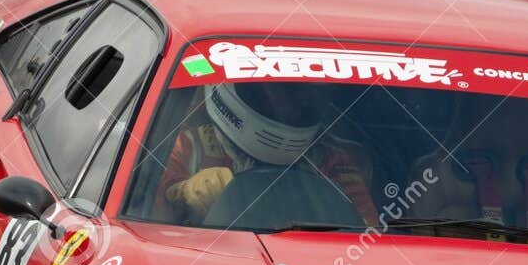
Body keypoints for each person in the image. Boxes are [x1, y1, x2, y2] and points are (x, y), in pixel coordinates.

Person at [158, 81, 378, 228]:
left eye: (298, 92)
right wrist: (183, 192)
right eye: (275, 90)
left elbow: (367, 232)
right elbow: (150, 214)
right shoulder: (190, 146)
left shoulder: (331, 158)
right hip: (217, 263)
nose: (290, 106)